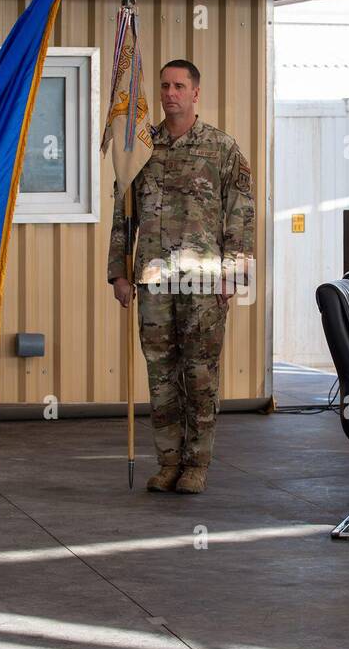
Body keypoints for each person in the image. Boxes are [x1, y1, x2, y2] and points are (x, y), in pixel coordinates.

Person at [107, 60, 255, 495]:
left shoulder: (221, 149)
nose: (170, 93)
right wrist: (119, 272)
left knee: (200, 372)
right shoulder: (139, 148)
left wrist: (234, 274)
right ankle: (168, 461)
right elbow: (123, 215)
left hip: (204, 283)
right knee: (161, 373)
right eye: (164, 86)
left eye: (179, 86)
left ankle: (197, 463)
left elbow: (241, 215)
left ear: (195, 93)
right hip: (153, 279)